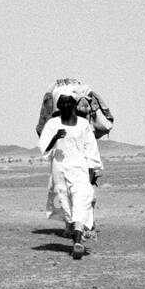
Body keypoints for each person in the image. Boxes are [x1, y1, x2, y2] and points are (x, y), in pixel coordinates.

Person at [38, 90, 103, 259]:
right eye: (63, 102)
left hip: (80, 168)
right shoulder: (52, 124)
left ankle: (78, 242)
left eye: (69, 102)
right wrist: (55, 138)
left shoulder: (83, 125)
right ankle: (76, 239)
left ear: (74, 105)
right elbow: (44, 147)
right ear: (59, 106)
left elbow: (90, 148)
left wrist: (92, 172)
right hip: (60, 169)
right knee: (67, 205)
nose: (66, 105)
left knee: (82, 200)